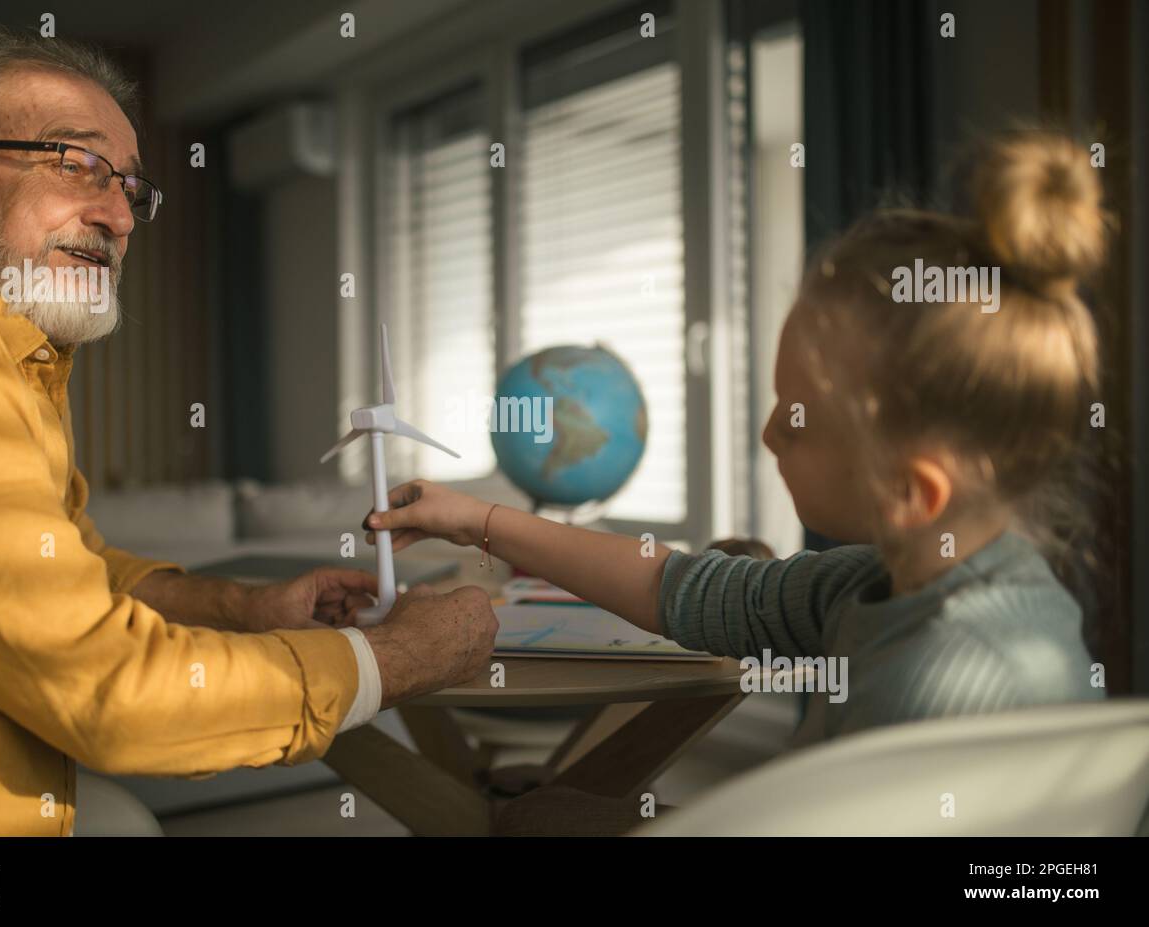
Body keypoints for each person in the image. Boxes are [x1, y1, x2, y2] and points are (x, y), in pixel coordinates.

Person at [0, 25, 497, 836]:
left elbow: (65, 569)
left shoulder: (2, 348)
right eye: (75, 163)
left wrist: (237, 605)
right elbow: (111, 693)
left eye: (129, 186)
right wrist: (398, 658)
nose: (120, 215)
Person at [364, 131, 1109, 833]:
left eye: (796, 418)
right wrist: (478, 517)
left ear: (914, 490)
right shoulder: (898, 581)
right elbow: (685, 589)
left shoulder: (943, 679)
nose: (767, 434)